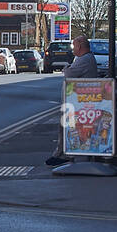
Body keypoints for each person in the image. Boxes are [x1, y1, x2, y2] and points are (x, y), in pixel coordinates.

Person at [47, 34, 99, 165]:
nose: (72, 49)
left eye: (74, 46)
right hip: (78, 100)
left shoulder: (84, 59)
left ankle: (63, 154)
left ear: (80, 46)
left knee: (67, 126)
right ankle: (65, 152)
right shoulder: (83, 58)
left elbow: (69, 73)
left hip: (79, 102)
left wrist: (67, 69)